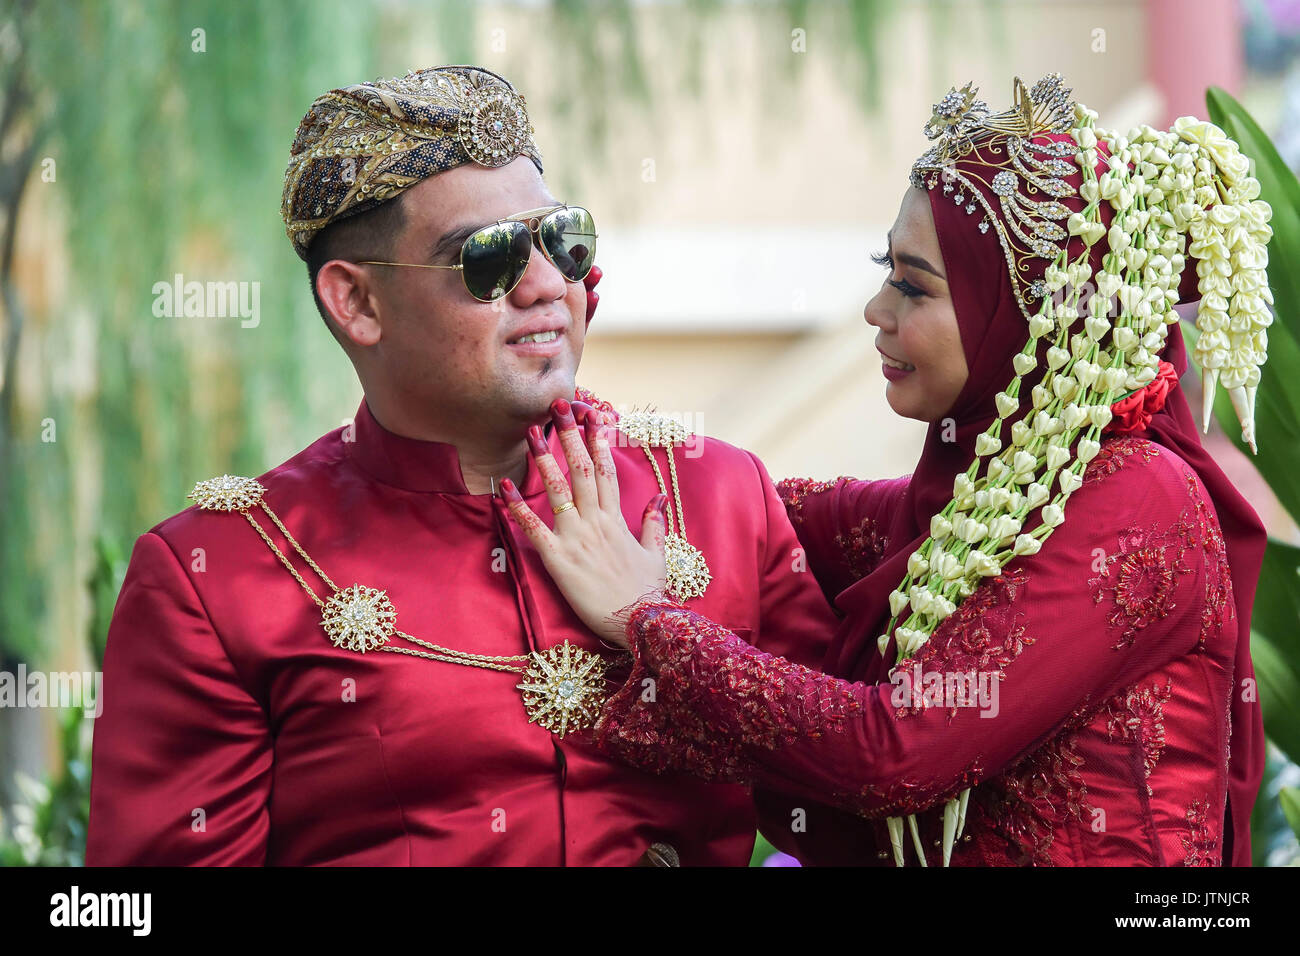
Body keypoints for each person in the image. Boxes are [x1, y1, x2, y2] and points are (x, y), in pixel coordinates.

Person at [503, 74, 1271, 866]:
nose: (878, 309)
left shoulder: (1140, 499)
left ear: (1028, 317)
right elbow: (761, 502)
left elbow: (895, 752)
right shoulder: (991, 497)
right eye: (886, 268)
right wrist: (555, 407)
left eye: (913, 285)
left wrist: (646, 621)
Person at [84, 65, 840, 866]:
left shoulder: (716, 494)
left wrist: (662, 631)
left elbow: (859, 808)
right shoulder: (219, 574)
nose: (550, 284)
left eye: (563, 240)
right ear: (359, 304)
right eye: (489, 259)